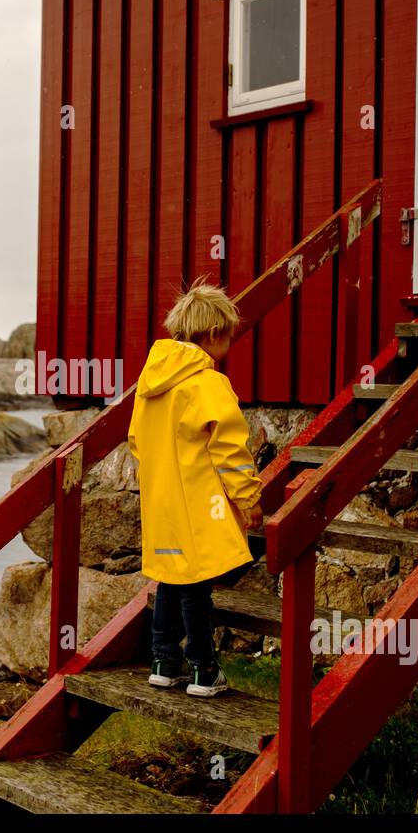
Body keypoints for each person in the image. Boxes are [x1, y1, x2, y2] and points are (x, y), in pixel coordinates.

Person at [126, 280, 263, 697]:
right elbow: (230, 450)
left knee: (171, 578)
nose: (229, 346)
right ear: (213, 334)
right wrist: (248, 498)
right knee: (196, 586)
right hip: (199, 501)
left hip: (162, 500)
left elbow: (136, 440)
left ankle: (164, 662)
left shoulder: (151, 384)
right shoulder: (208, 383)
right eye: (228, 338)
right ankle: (204, 669)